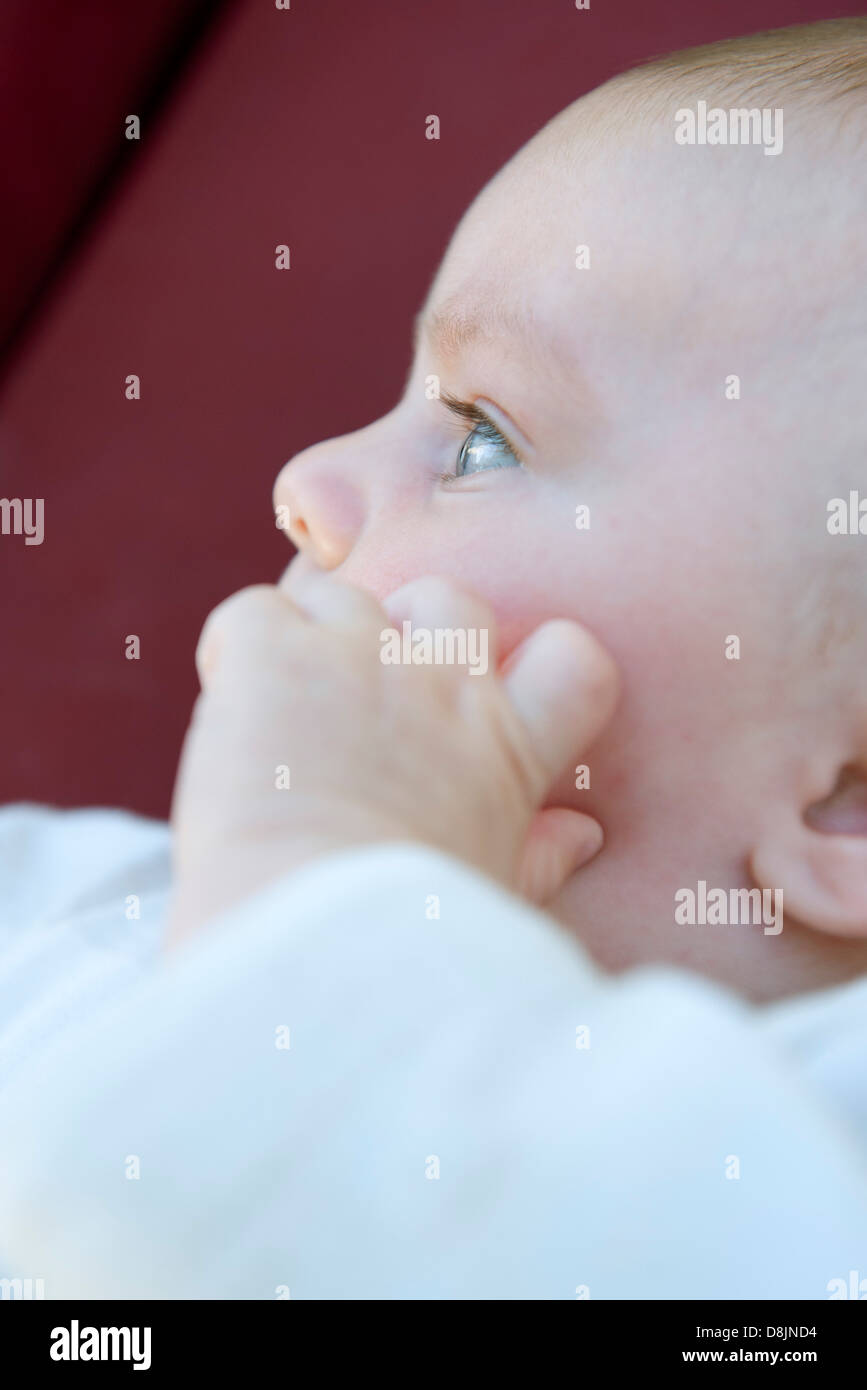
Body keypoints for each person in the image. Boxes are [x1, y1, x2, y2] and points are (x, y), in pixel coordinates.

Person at [2, 20, 867, 1299]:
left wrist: (315, 884)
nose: (308, 480)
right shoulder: (120, 904)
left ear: (846, 802)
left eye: (480, 437)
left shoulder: (797, 1172)